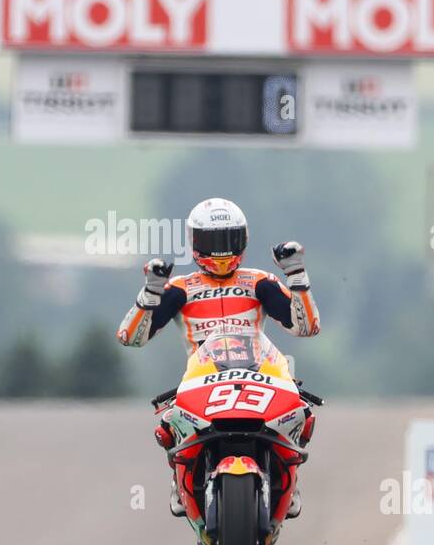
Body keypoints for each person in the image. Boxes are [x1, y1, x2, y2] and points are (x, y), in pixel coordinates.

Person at [116, 198, 321, 518]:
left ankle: (291, 481)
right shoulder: (180, 288)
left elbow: (306, 327)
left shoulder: (259, 282)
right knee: (168, 423)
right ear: (195, 242)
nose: (222, 250)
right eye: (213, 241)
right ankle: (178, 477)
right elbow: (131, 337)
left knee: (302, 413)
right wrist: (149, 294)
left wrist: (296, 276)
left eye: (229, 240)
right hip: (202, 376)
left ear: (244, 239)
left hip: (258, 369)